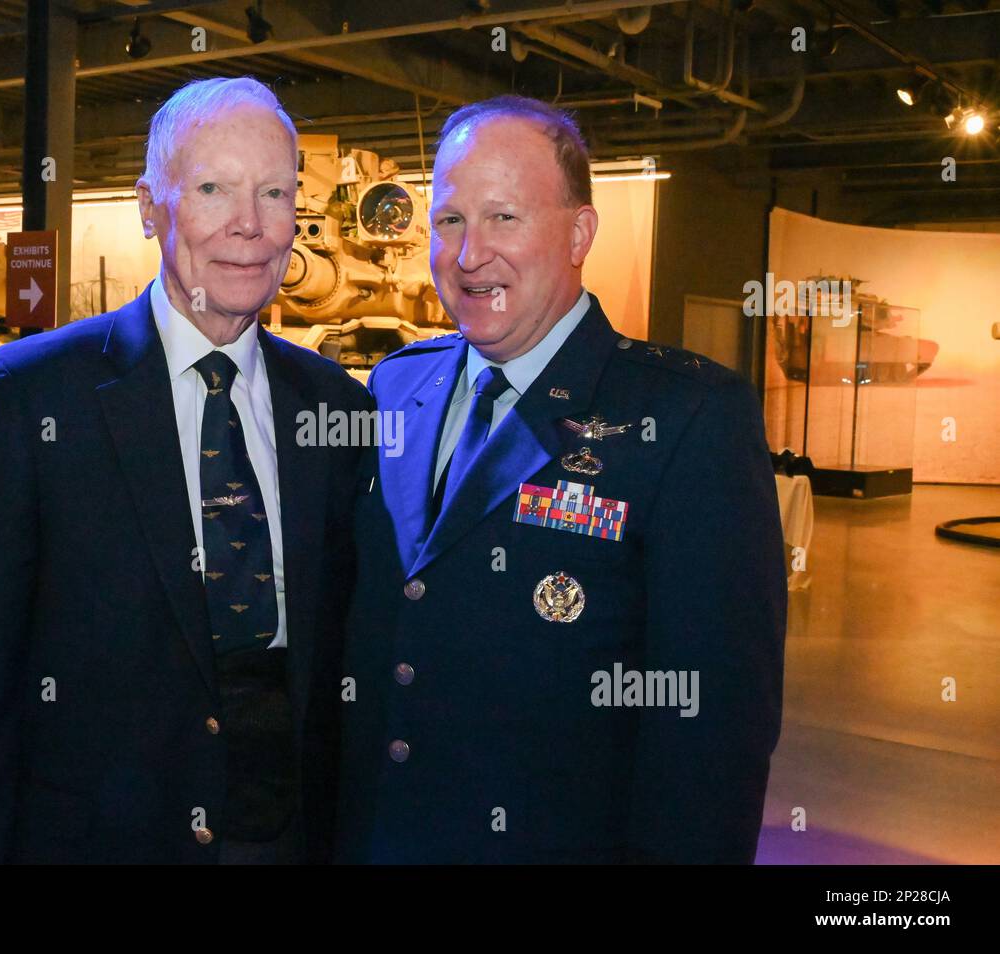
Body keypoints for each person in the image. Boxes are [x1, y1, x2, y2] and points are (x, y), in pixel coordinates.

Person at [0, 77, 371, 864]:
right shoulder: (31, 395)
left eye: (274, 192)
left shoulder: (335, 406)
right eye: (212, 189)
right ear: (147, 206)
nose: (251, 226)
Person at [337, 96, 787, 864]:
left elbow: (710, 725)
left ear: (580, 233)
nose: (469, 254)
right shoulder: (393, 390)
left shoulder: (685, 418)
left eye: (505, 217)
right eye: (449, 220)